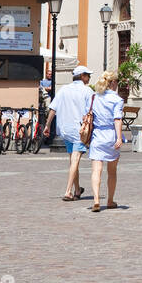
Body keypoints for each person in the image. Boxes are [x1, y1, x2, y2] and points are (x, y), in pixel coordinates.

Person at [49, 65, 93, 201]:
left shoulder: (63, 89)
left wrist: (47, 125)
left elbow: (53, 108)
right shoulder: (87, 91)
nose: (89, 78)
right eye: (88, 75)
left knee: (73, 160)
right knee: (75, 160)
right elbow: (91, 111)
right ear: (82, 76)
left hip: (64, 129)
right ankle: (68, 191)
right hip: (79, 130)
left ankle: (77, 189)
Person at [87, 70, 123, 212]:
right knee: (112, 171)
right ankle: (110, 200)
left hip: (97, 134)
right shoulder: (117, 99)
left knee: (96, 170)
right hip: (111, 135)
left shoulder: (94, 97)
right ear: (113, 82)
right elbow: (117, 119)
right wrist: (119, 137)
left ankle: (96, 199)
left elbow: (87, 114)